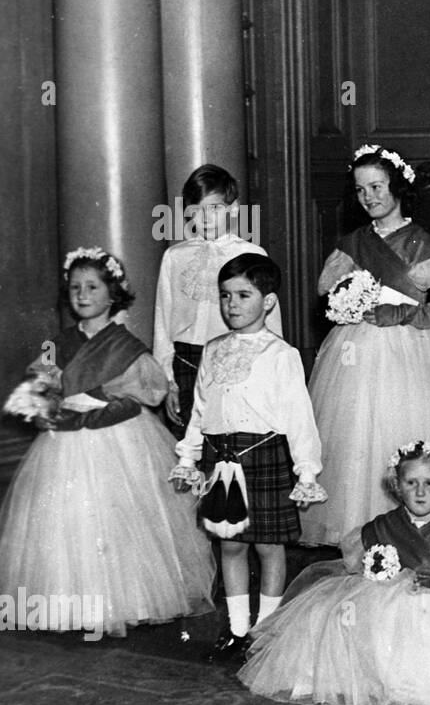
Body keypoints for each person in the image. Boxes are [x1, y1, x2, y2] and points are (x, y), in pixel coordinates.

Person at [0, 248, 213, 638]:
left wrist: (97, 410)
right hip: (65, 441)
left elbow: (145, 393)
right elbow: (40, 387)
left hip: (117, 437)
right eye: (75, 287)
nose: (82, 295)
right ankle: (65, 602)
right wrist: (48, 405)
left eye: (92, 287)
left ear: (112, 293)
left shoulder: (126, 345)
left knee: (120, 517)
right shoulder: (58, 342)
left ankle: (129, 600)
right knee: (66, 521)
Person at [239, 442, 430, 705]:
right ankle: (373, 681)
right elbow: (357, 561)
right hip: (389, 593)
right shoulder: (382, 527)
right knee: (347, 613)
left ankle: (429, 685)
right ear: (398, 486)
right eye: (411, 483)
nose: (420, 492)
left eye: (429, 484)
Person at [300, 144, 430, 545]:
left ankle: (422, 530)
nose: (369, 197)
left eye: (377, 186)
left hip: (415, 353)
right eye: (360, 190)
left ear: (399, 187)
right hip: (355, 353)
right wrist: (349, 301)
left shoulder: (423, 245)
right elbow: (326, 292)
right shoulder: (351, 244)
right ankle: (361, 529)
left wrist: (404, 315)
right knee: (355, 434)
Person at [172, 254, 326, 662]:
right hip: (219, 458)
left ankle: (266, 630)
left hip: (264, 456)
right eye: (225, 296)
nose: (232, 304)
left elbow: (299, 418)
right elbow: (200, 411)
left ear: (269, 301)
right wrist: (188, 458)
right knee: (230, 545)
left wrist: (305, 470)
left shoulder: (281, 354)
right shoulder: (213, 349)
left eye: (243, 295)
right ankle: (239, 629)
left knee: (268, 546)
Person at [153, 164, 283, 431]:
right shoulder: (175, 257)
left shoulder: (252, 253)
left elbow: (270, 320)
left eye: (214, 209)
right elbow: (162, 324)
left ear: (233, 209)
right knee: (187, 443)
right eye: (197, 210)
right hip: (186, 362)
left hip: (236, 357)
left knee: (230, 438)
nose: (205, 218)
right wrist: (167, 380)